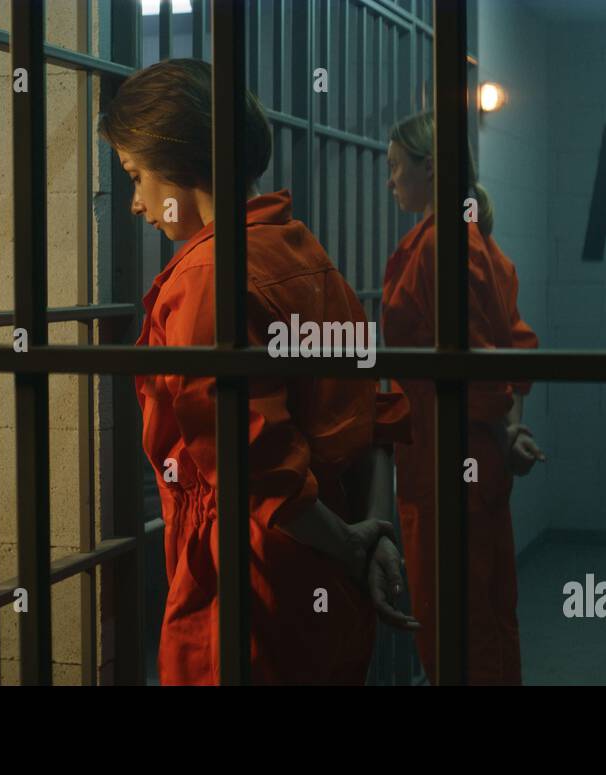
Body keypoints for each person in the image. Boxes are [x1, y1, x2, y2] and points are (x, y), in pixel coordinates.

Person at [101, 58, 418, 685]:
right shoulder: (303, 251)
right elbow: (370, 415)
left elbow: (250, 461)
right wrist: (368, 536)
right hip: (329, 563)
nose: (135, 203)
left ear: (179, 161)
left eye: (136, 176)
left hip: (247, 578)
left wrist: (351, 542)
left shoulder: (205, 277)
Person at [381, 111, 543, 685]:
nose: (390, 180)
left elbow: (477, 372)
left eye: (396, 166)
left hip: (446, 459)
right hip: (475, 458)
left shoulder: (439, 245)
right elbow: (514, 353)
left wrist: (501, 428)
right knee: (486, 619)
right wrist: (511, 432)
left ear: (430, 168)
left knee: (455, 630)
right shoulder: (476, 244)